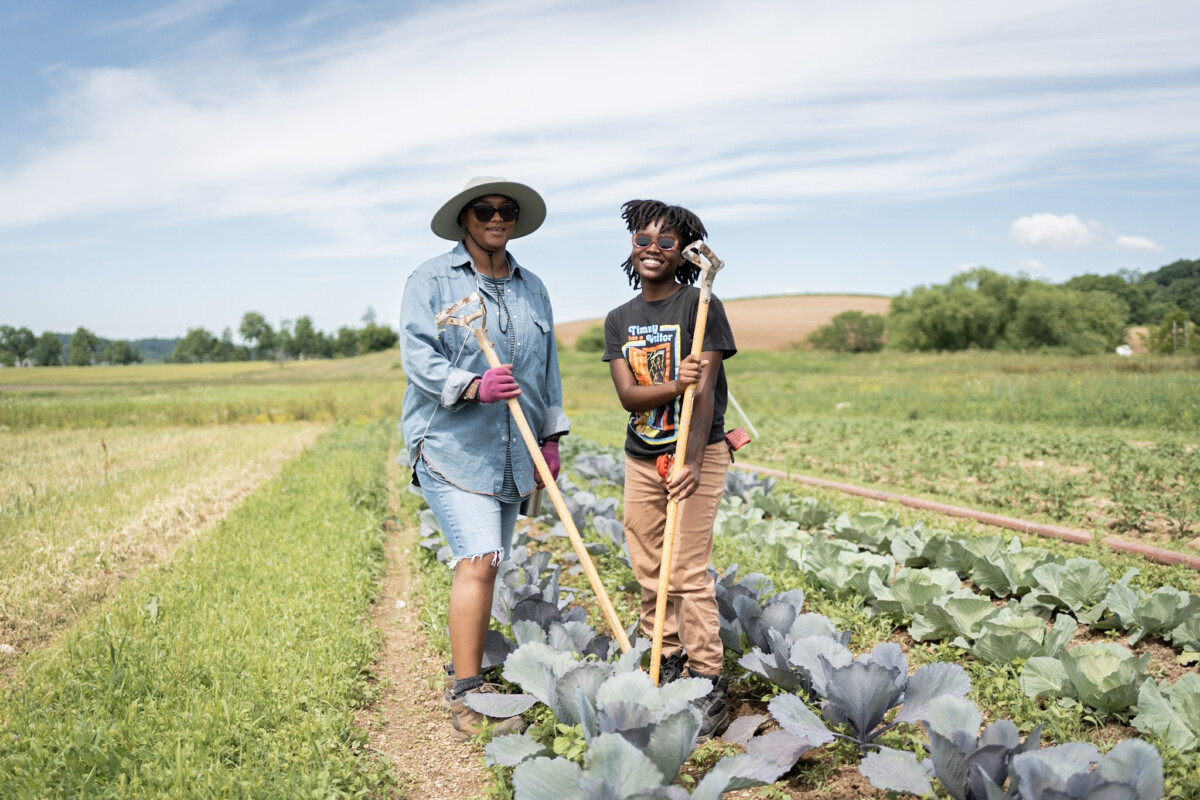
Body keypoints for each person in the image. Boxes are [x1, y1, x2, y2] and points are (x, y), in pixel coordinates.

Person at [400, 176, 568, 740]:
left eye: (507, 211)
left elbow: (547, 371)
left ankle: (466, 662)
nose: (497, 218)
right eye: (485, 210)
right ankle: (467, 694)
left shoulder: (533, 287)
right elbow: (418, 358)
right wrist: (472, 386)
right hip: (452, 444)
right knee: (478, 557)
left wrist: (551, 436)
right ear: (465, 219)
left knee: (491, 562)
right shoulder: (431, 279)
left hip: (514, 450)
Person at [602, 199, 737, 740]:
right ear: (631, 248)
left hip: (697, 452)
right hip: (642, 454)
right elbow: (630, 397)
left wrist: (692, 462)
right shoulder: (620, 320)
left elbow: (703, 395)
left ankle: (709, 680)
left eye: (665, 242)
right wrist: (673, 384)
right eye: (643, 240)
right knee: (647, 562)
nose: (653, 250)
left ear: (683, 252)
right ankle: (667, 656)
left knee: (686, 569)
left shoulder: (701, 304)